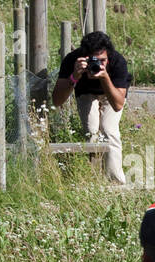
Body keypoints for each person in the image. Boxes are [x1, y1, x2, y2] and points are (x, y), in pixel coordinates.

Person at [52, 31, 133, 184]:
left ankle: (115, 183)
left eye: (102, 60)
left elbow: (117, 105)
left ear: (108, 56)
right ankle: (95, 179)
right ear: (84, 57)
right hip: (85, 92)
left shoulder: (117, 61)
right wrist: (74, 77)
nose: (97, 65)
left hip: (112, 93)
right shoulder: (72, 60)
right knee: (92, 132)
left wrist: (105, 77)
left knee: (109, 130)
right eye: (92, 61)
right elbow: (57, 100)